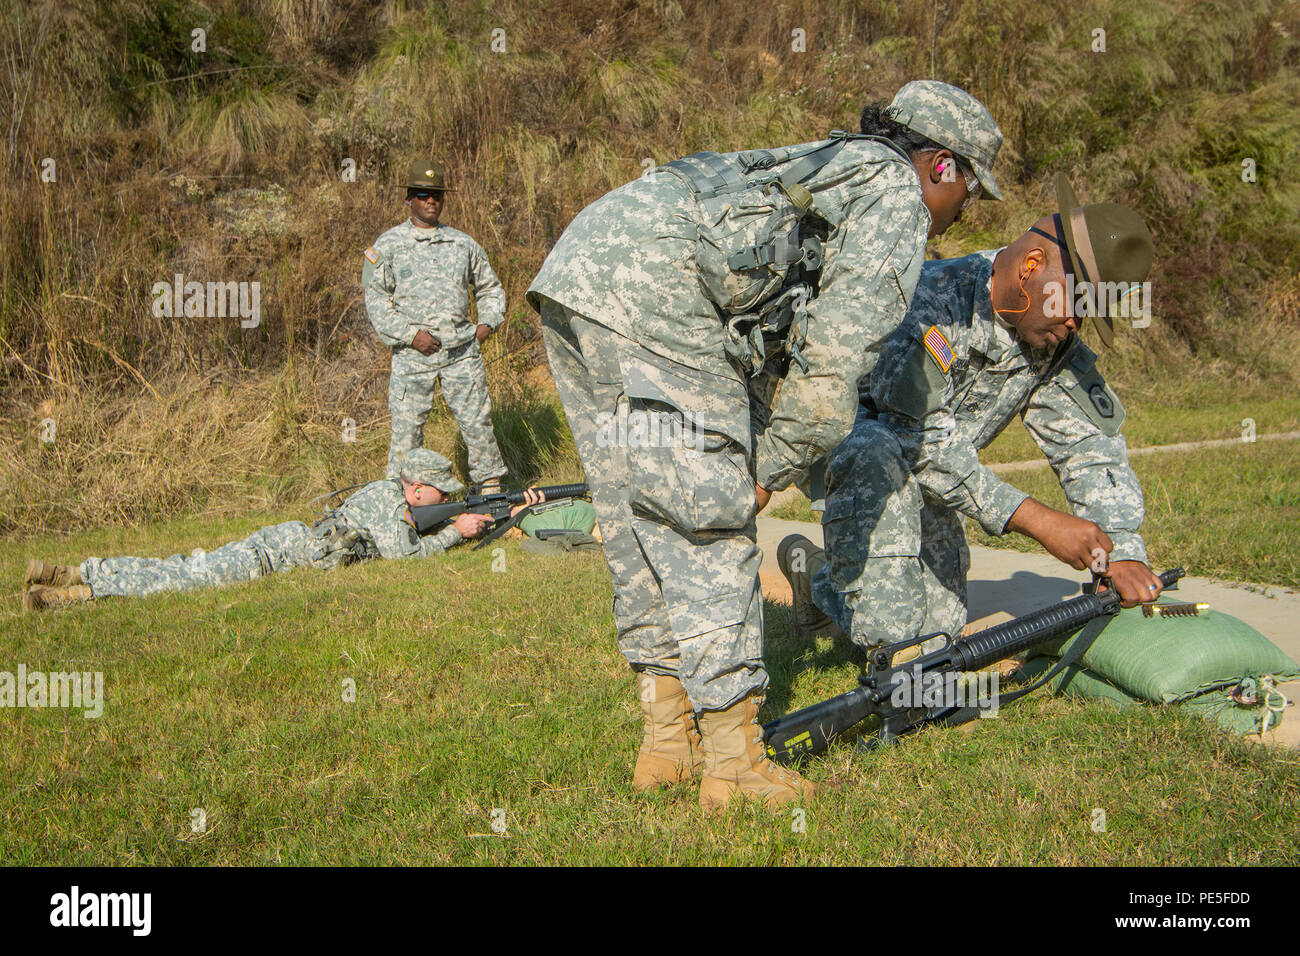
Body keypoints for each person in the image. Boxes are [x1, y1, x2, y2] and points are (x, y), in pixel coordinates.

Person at [528, 81, 1005, 811]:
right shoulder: (892, 192)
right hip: (663, 288)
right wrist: (766, 471)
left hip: (584, 268)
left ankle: (665, 740)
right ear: (941, 164)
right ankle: (734, 761)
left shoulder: (829, 165)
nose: (962, 212)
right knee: (706, 520)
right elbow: (833, 366)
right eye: (968, 189)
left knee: (635, 517)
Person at [779, 174, 1164, 663]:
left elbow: (1089, 450)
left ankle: (816, 579)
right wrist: (1040, 521)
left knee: (940, 629)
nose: (1075, 324)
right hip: (859, 456)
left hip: (940, 479)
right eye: (1076, 303)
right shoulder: (931, 302)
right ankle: (889, 660)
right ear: (1030, 266)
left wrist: (1124, 550)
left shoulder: (1050, 340)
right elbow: (916, 436)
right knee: (905, 635)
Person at [23, 450, 543, 611]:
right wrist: (459, 531)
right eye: (443, 495)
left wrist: (501, 516)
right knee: (180, 577)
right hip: (269, 559)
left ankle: (70, 573)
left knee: (181, 569)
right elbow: (406, 559)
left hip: (280, 544)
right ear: (417, 489)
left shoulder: (387, 495)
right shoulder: (389, 506)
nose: (449, 502)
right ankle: (75, 591)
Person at [364, 160, 509, 489]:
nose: (431, 201)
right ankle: (398, 501)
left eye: (437, 196)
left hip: (461, 354)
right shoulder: (387, 247)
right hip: (413, 358)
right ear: (409, 199)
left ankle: (490, 492)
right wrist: (411, 336)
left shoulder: (463, 244)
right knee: (406, 430)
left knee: (477, 423)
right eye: (423, 194)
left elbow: (490, 288)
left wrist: (486, 325)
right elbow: (375, 300)